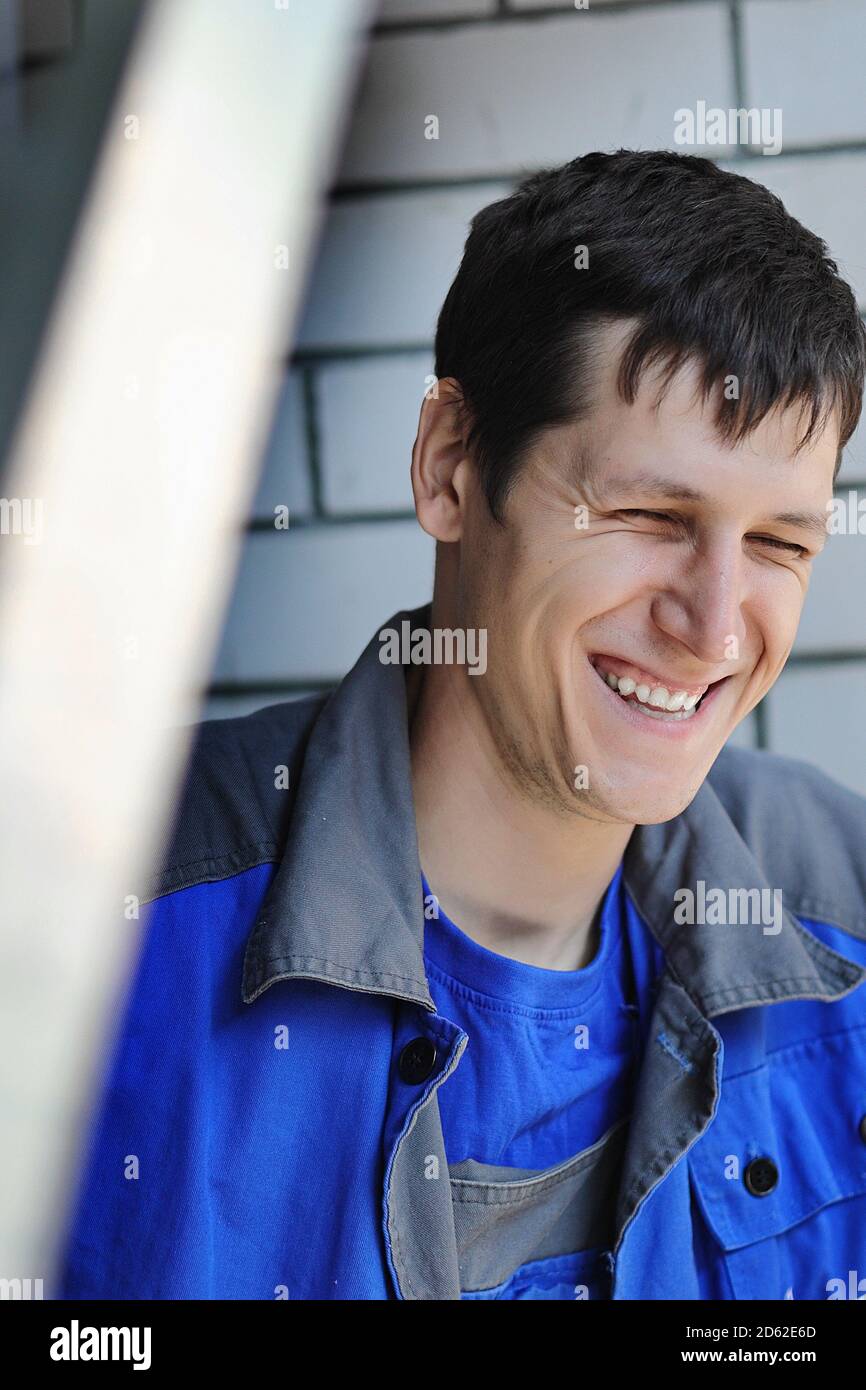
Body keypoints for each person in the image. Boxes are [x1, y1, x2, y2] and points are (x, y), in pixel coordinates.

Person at [56, 151, 866, 1301]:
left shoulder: (843, 902)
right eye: (645, 515)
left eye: (779, 545)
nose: (713, 629)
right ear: (449, 465)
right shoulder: (95, 931)